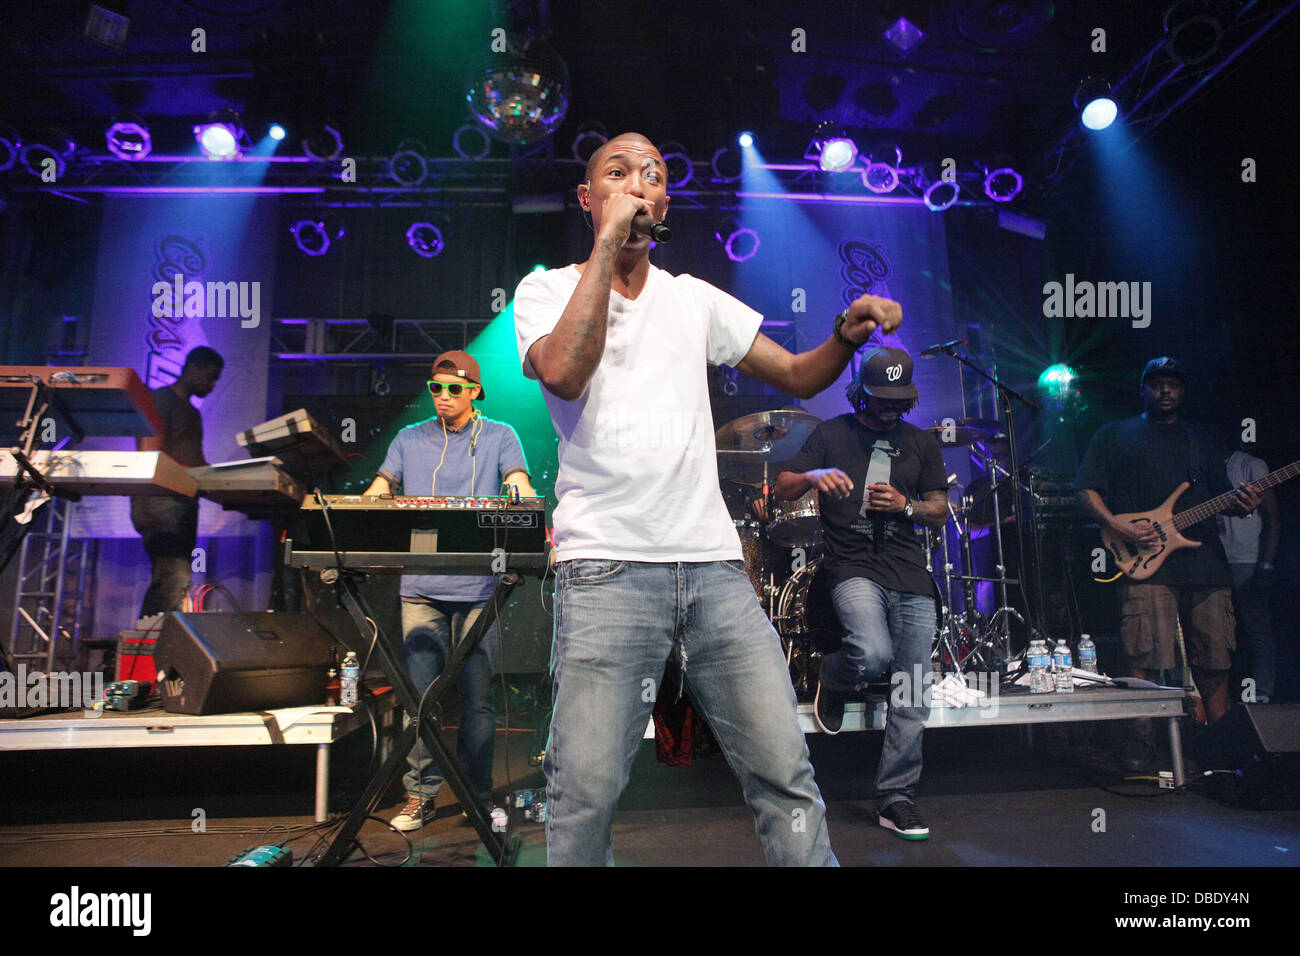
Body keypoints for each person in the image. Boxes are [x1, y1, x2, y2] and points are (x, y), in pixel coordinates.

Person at [513, 131, 903, 866]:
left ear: (664, 201)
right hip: (605, 571)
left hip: (716, 572)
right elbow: (563, 373)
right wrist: (607, 248)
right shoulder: (546, 290)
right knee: (586, 789)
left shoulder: (692, 299)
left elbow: (795, 375)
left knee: (784, 772)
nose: (639, 183)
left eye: (653, 175)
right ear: (588, 199)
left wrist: (843, 339)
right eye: (618, 173)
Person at [775, 347, 949, 840]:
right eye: (882, 399)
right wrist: (812, 476)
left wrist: (907, 506)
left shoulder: (920, 443)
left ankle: (896, 797)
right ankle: (833, 675)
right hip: (852, 565)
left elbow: (939, 507)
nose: (891, 408)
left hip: (909, 573)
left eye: (899, 399)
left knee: (913, 687)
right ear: (862, 393)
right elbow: (784, 484)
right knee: (872, 655)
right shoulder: (831, 433)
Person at [364, 351, 536, 830]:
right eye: (435, 388)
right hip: (420, 591)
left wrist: (522, 498)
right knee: (421, 699)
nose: (442, 396)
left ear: (474, 391)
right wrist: (359, 509)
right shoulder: (408, 438)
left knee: (477, 701)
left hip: (479, 590)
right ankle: (419, 795)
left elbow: (517, 480)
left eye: (453, 389)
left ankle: (476, 795)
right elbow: (382, 485)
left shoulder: (500, 435)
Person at [1074, 357, 1261, 771]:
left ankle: (1218, 746)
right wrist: (1117, 526)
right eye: (1156, 383)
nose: (1165, 390)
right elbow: (1086, 490)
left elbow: (1225, 497)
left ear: (1183, 391)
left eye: (1173, 383)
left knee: (1215, 656)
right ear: (1143, 389)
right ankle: (1140, 744)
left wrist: (1244, 505)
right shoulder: (1114, 434)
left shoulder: (1202, 441)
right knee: (1144, 653)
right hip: (1144, 560)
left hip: (1204, 562)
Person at [132, 345, 223, 619]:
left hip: (183, 502)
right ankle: (148, 645)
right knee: (174, 576)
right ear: (192, 367)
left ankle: (151, 641)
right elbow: (151, 456)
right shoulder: (158, 400)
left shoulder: (192, 413)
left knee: (175, 578)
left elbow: (197, 462)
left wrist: (231, 478)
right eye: (209, 377)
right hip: (159, 502)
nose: (212, 385)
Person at [1214, 427, 1279, 703]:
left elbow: (1273, 517)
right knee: (1218, 631)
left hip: (1247, 558)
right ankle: (1222, 695)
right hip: (1214, 559)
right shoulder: (1205, 466)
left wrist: (1266, 563)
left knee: (1255, 626)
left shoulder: (1252, 464)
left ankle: (1262, 692)